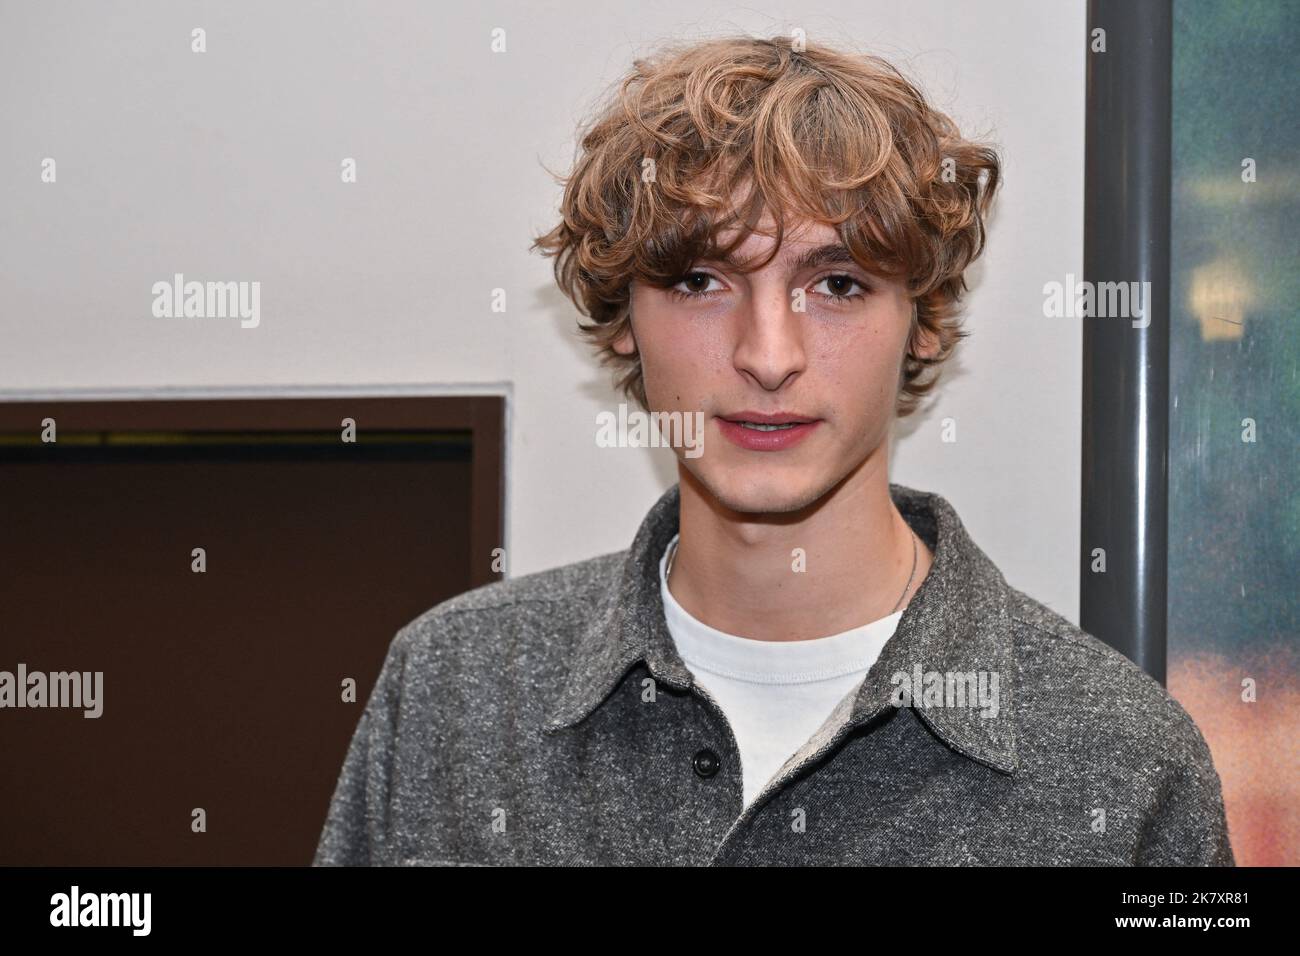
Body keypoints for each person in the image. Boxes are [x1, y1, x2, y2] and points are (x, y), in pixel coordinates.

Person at [313, 33, 1233, 865]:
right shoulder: (452, 692)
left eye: (836, 283)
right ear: (625, 318)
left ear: (922, 321)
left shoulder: (1122, 760)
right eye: (700, 279)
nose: (767, 355)